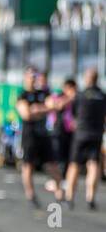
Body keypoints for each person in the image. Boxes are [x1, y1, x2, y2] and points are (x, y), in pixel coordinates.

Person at [16, 70, 63, 207]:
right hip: (29, 135)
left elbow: (53, 106)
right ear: (25, 78)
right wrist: (41, 110)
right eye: (31, 77)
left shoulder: (43, 93)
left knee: (52, 164)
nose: (33, 79)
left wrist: (38, 109)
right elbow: (26, 114)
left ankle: (60, 193)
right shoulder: (22, 95)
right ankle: (30, 195)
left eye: (35, 77)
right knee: (28, 165)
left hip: (43, 134)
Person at [65, 67, 104, 209]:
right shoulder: (102, 96)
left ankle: (69, 196)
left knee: (74, 164)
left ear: (87, 79)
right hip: (96, 133)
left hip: (81, 134)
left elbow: (74, 113)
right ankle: (90, 197)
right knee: (93, 164)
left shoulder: (80, 95)